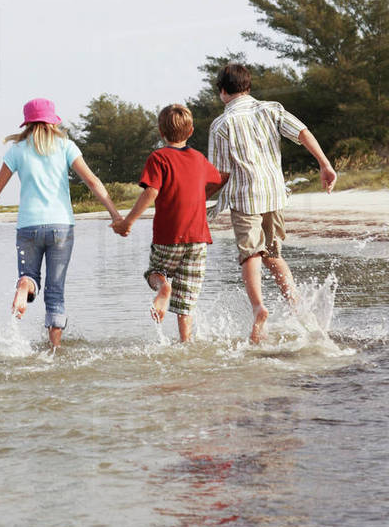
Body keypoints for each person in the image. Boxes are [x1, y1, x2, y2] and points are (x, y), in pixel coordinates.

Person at [0, 98, 124, 348]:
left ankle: (25, 284)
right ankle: (54, 348)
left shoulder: (16, 151)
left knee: (29, 275)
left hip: (28, 227)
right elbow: (92, 181)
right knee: (55, 291)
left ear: (27, 123)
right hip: (61, 227)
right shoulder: (67, 146)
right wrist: (115, 214)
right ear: (52, 121)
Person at [208, 62, 337, 343]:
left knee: (250, 254)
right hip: (274, 194)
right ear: (248, 86)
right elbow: (302, 132)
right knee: (273, 254)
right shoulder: (271, 109)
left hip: (245, 197)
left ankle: (258, 308)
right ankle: (296, 306)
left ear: (222, 91)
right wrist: (324, 165)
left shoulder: (221, 124)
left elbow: (221, 174)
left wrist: (200, 197)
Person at [115, 104, 222, 342]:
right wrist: (202, 195)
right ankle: (186, 342)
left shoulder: (158, 157)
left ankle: (163, 287)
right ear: (191, 130)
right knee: (187, 299)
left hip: (168, 236)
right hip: (198, 238)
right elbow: (218, 178)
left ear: (160, 132)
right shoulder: (198, 158)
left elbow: (150, 192)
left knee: (154, 272)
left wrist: (127, 222)